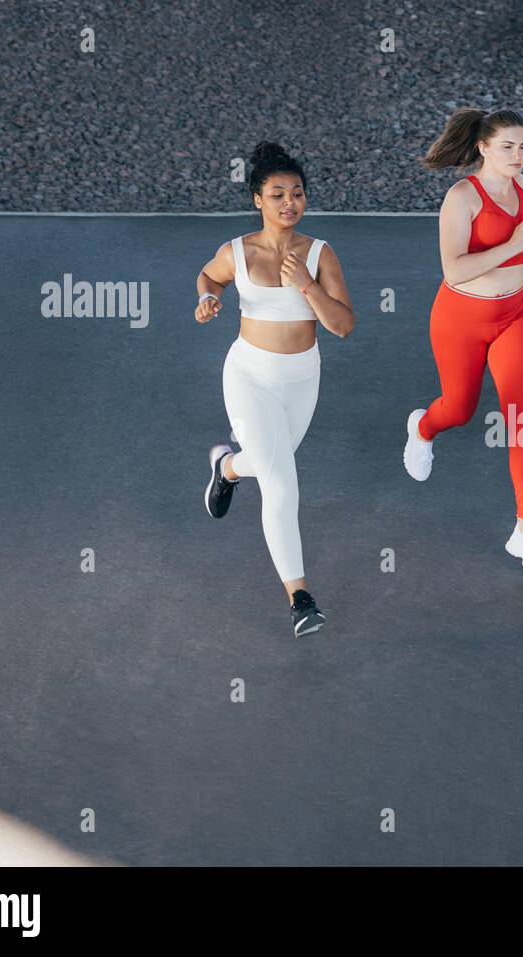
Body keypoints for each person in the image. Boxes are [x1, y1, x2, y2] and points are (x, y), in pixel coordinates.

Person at [195, 141, 355, 636]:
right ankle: (301, 599)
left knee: (267, 467)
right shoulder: (236, 252)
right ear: (257, 201)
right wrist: (206, 298)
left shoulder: (321, 254)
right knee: (282, 484)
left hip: (302, 380)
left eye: (298, 193)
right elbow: (209, 277)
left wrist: (307, 285)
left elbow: (344, 326)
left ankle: (226, 466)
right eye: (278, 193)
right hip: (248, 375)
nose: (290, 202)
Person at [404, 108, 523, 572]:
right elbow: (456, 268)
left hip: (519, 312)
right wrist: (514, 248)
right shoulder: (461, 198)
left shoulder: (522, 187)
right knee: (460, 409)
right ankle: (423, 428)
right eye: (507, 147)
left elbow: (514, 244)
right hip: (461, 320)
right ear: (484, 148)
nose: (518, 155)